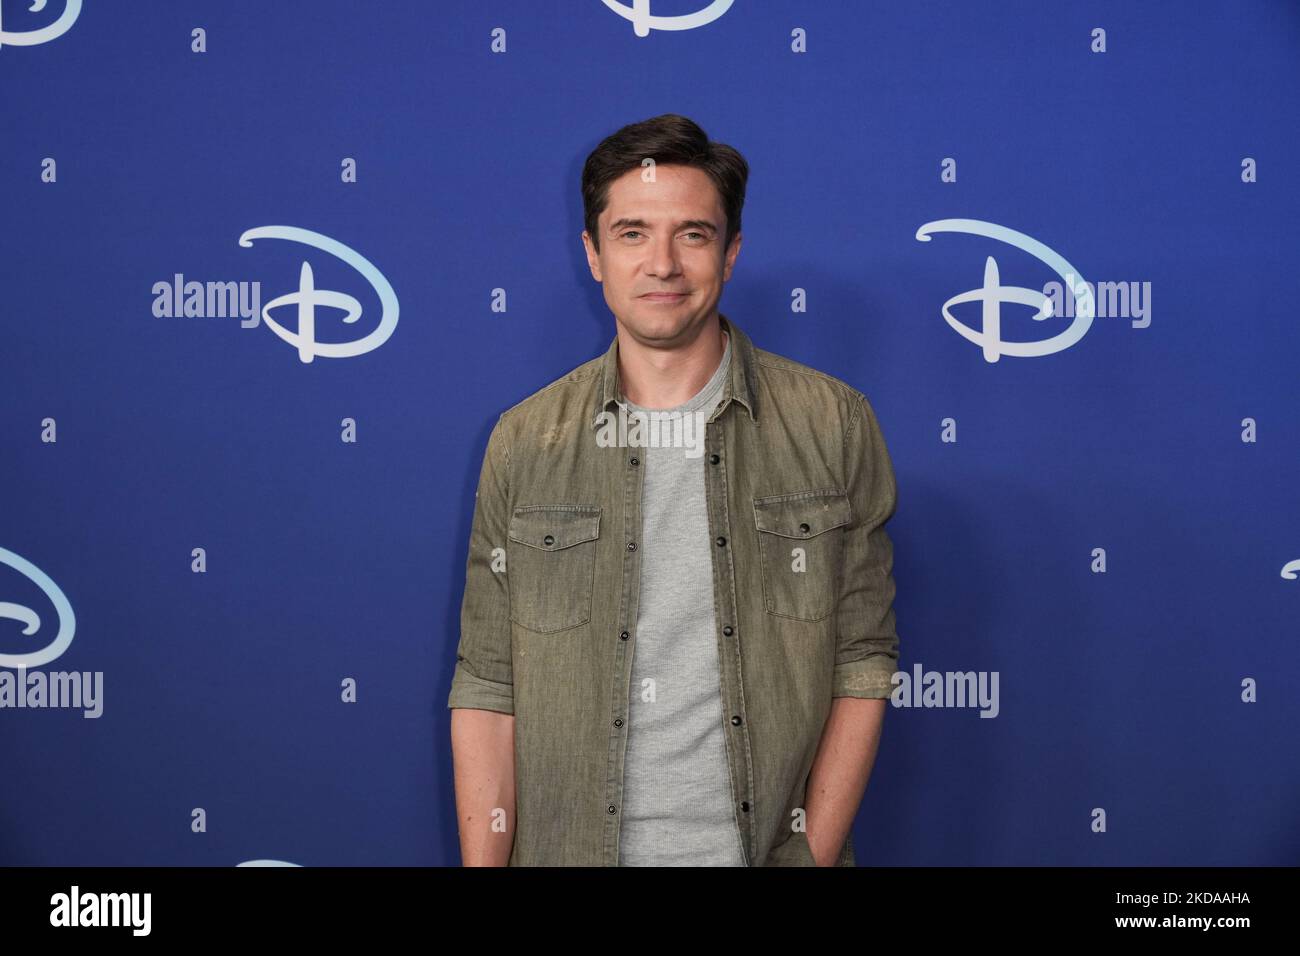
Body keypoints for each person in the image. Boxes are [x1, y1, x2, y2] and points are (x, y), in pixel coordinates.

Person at [448, 113, 900, 866]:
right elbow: (490, 686)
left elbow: (862, 662)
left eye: (692, 233)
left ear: (731, 254)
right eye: (631, 233)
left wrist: (805, 857)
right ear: (592, 253)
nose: (661, 263)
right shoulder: (524, 442)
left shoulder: (833, 425)